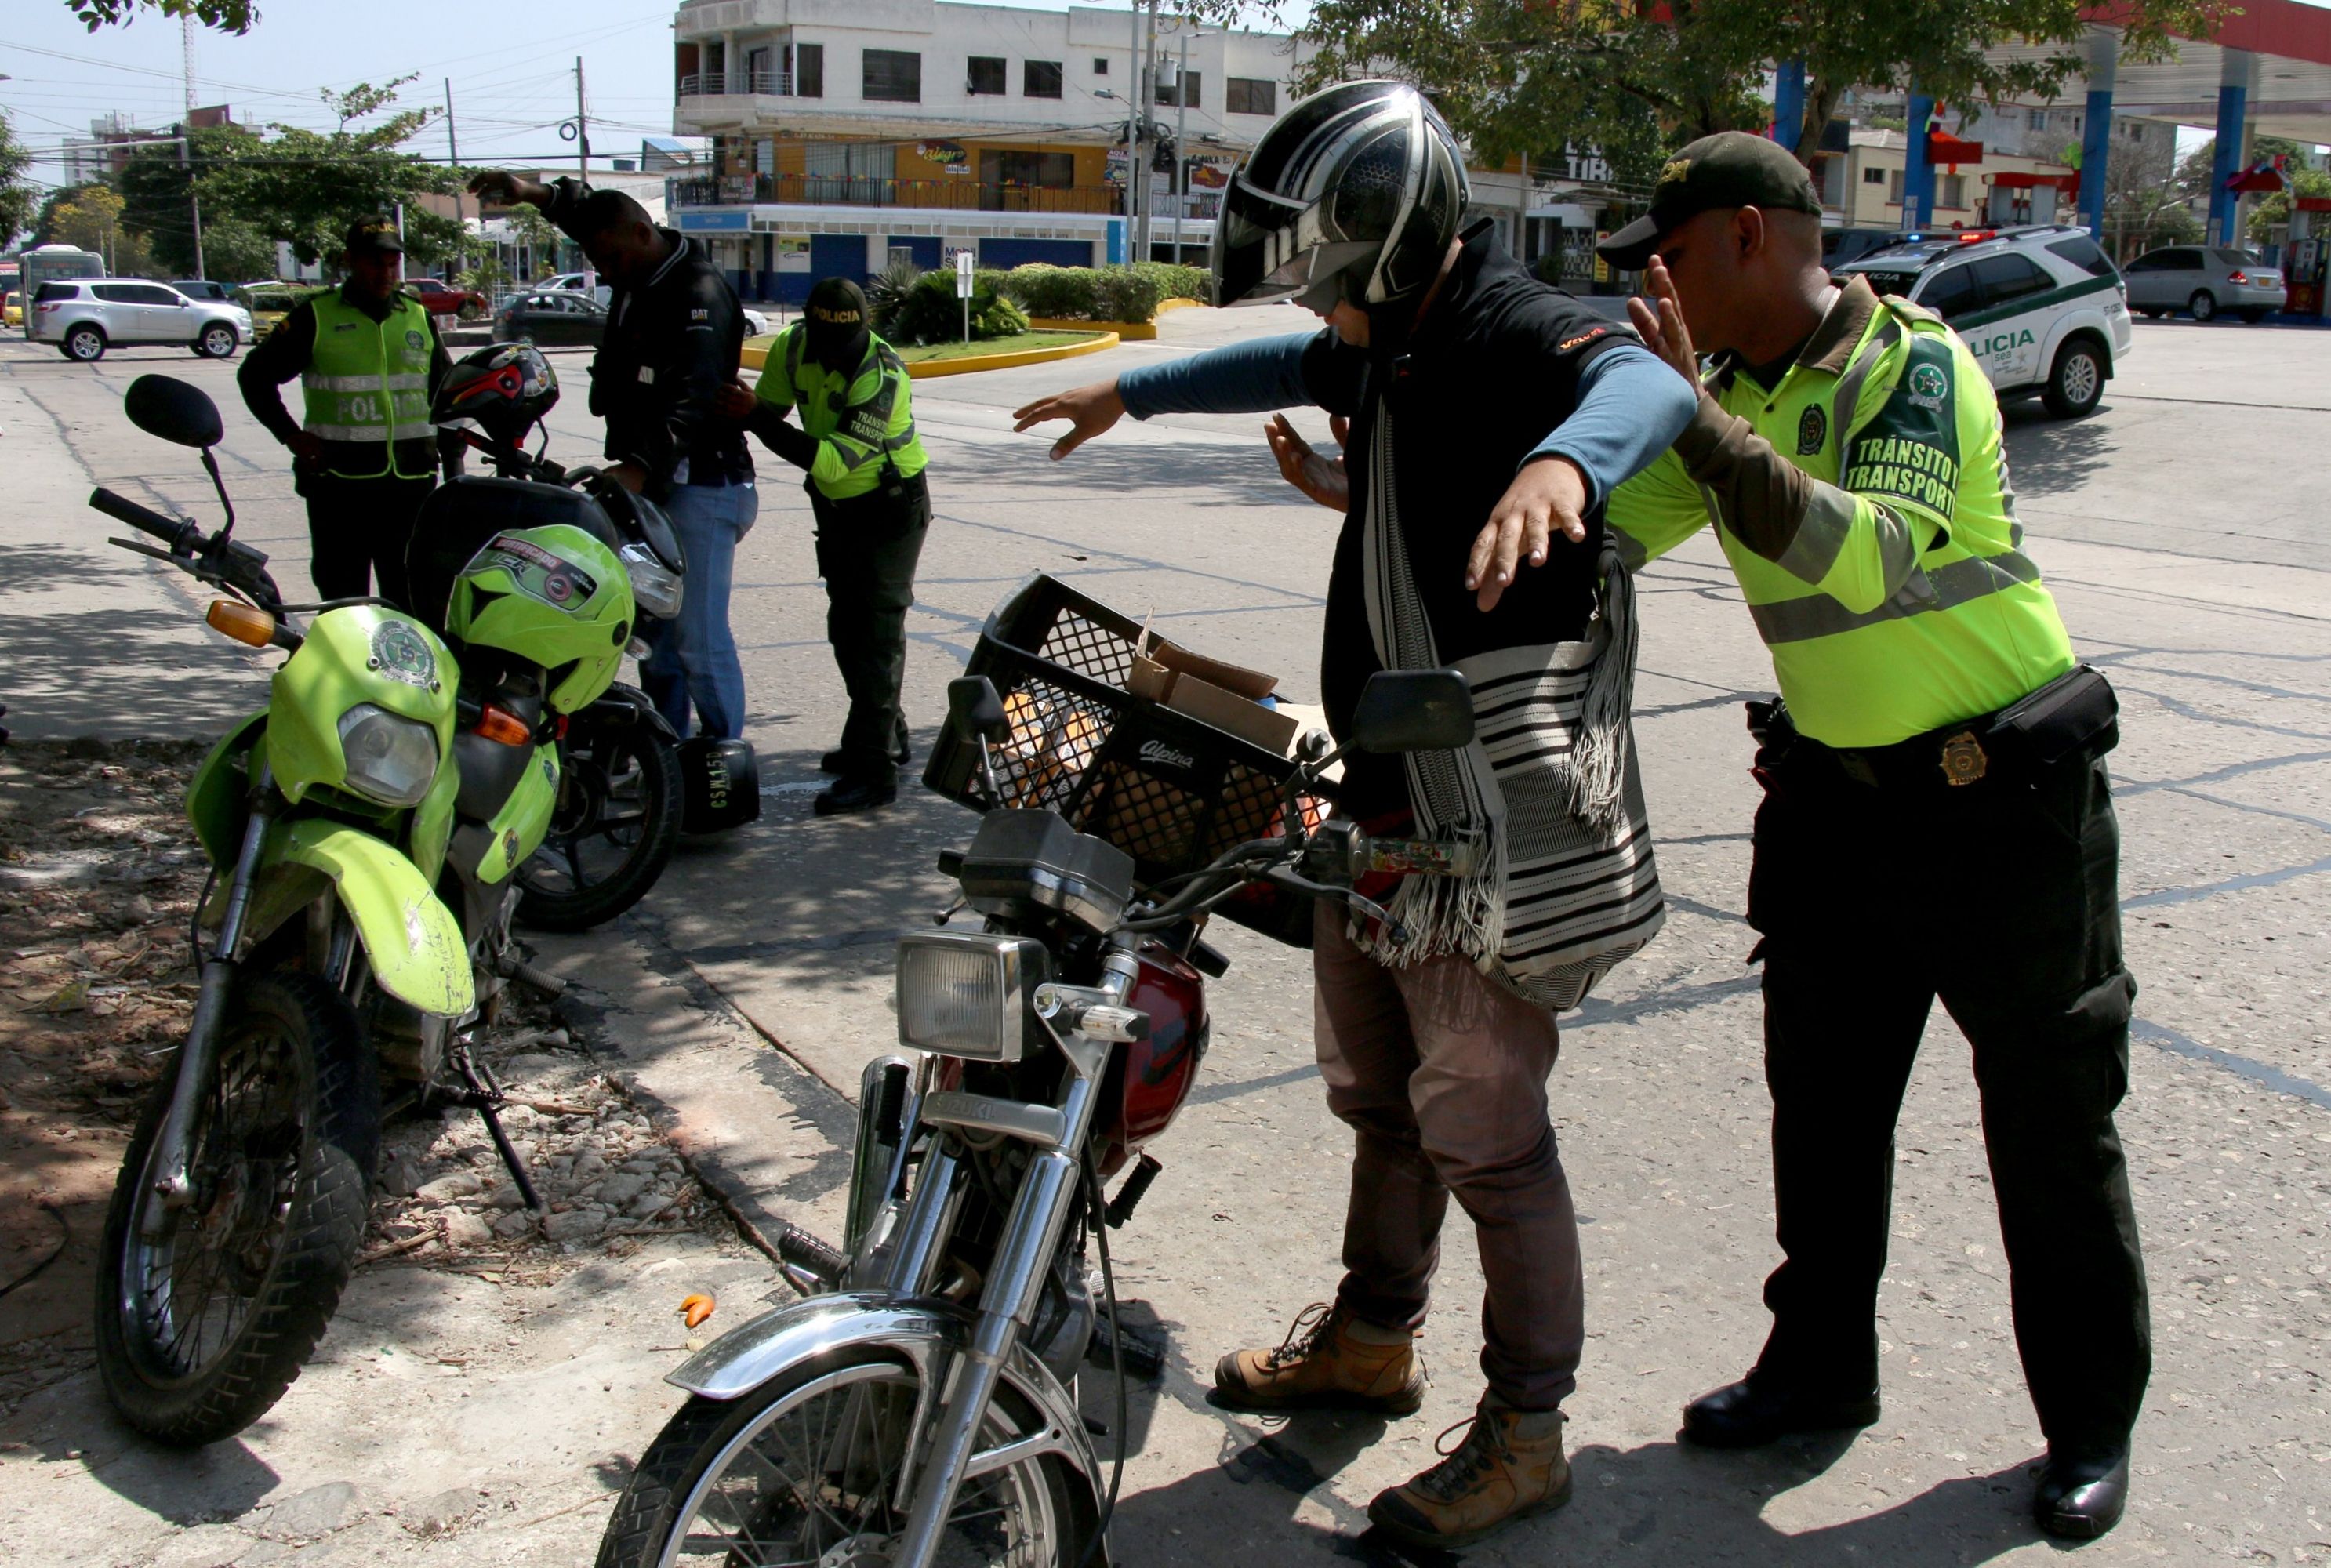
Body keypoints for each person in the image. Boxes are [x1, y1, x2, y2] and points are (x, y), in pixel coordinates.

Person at [1014, 81, 1695, 1552]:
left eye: (1332, 287)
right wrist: (1123, 390)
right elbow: (1282, 355)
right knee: (1378, 1105)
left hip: (1482, 827)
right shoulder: (1379, 347)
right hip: (1378, 806)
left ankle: (1526, 1434)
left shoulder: (1510, 326)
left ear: (1392, 252)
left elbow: (1648, 387)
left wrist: (1559, 463)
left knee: (1487, 1135)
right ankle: (1372, 1342)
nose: (1321, 320)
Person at [1592, 132, 2147, 1540]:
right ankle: (1818, 1370)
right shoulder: (1718, 394)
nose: (1649, 294)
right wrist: (1427, 504)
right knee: (1824, 1121)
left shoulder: (1913, 365)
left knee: (2048, 1130)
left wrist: (1693, 422)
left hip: (2004, 812)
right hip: (1839, 817)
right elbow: (1596, 532)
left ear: (1740, 237)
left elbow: (1861, 550)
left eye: (1661, 261)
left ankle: (2087, 1420)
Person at [465, 169, 755, 742]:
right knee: (655, 637)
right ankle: (668, 758)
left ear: (643, 234)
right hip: (647, 487)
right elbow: (593, 216)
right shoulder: (634, 264)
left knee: (697, 636)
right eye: (597, 260)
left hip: (699, 484)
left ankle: (725, 756)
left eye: (611, 260)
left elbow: (693, 398)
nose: (603, 271)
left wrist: (640, 468)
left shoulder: (696, 292)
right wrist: (533, 194)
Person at [717, 276, 929, 816]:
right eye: (826, 345)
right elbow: (769, 405)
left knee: (875, 635)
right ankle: (883, 734)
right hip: (836, 507)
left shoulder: (880, 375)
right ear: (807, 331)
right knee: (846, 628)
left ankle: (874, 773)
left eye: (847, 346)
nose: (836, 357)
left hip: (888, 508)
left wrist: (756, 420)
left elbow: (832, 460)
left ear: (865, 331)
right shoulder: (793, 348)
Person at [238, 216, 463, 608]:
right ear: (350, 261)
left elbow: (446, 396)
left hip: (410, 486)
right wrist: (291, 435)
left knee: (412, 599)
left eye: (393, 263)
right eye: (375, 262)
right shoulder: (316, 316)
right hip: (339, 488)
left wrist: (455, 469)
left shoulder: (417, 317)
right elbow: (254, 377)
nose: (386, 272)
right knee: (343, 600)